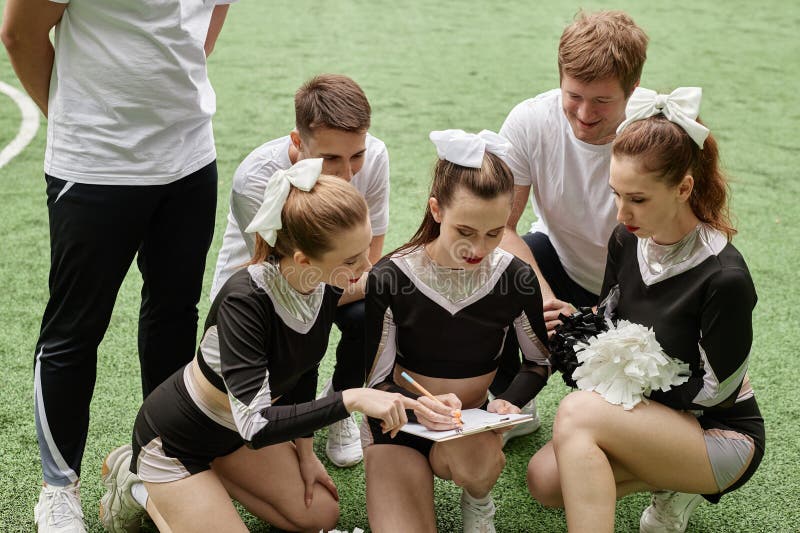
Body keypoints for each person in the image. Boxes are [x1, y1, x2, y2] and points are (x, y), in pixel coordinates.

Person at [1, 1, 234, 531]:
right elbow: (19, 33)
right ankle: (58, 490)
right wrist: (77, 119)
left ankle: (160, 466)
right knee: (75, 329)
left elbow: (206, 26)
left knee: (174, 316)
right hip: (94, 162)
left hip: (189, 157)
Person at [99, 159, 420, 533]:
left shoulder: (321, 283)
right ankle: (138, 482)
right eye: (351, 259)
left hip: (232, 439)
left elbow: (304, 370)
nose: (365, 266)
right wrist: (350, 398)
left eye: (364, 250)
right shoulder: (244, 300)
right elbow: (256, 425)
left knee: (320, 513)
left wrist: (305, 453)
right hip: (176, 443)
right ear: (303, 258)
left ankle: (206, 486)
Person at [525, 89, 765, 533]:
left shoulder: (724, 277)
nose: (622, 212)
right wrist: (578, 328)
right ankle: (673, 483)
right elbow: (611, 317)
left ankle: (684, 478)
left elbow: (717, 392)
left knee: (579, 413)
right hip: (654, 424)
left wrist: (630, 384)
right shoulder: (626, 240)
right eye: (616, 194)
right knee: (546, 481)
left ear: (684, 188)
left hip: (719, 435)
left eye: (637, 199)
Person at [363, 130, 552, 533]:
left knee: (477, 463)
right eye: (464, 231)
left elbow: (537, 363)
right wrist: (417, 407)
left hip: (470, 424)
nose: (478, 249)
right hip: (401, 423)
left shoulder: (515, 277)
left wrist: (507, 403)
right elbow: (375, 382)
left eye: (494, 233)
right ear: (436, 210)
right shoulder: (391, 278)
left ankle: (478, 500)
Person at [211, 73, 390, 468]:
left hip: (333, 278)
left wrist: (376, 282)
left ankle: (340, 403)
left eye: (355, 155)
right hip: (267, 292)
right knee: (254, 426)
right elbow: (287, 280)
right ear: (297, 142)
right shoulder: (256, 179)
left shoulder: (374, 157)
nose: (346, 173)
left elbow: (366, 262)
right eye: (330, 159)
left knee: (374, 305)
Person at [494, 10, 650, 443]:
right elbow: (501, 226)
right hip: (560, 261)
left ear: (632, 89)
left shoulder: (656, 133)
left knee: (622, 411)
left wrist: (603, 314)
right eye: (574, 95)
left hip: (639, 278)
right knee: (497, 270)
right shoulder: (529, 120)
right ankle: (514, 400)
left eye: (602, 101)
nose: (584, 113)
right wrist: (544, 299)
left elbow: (675, 245)